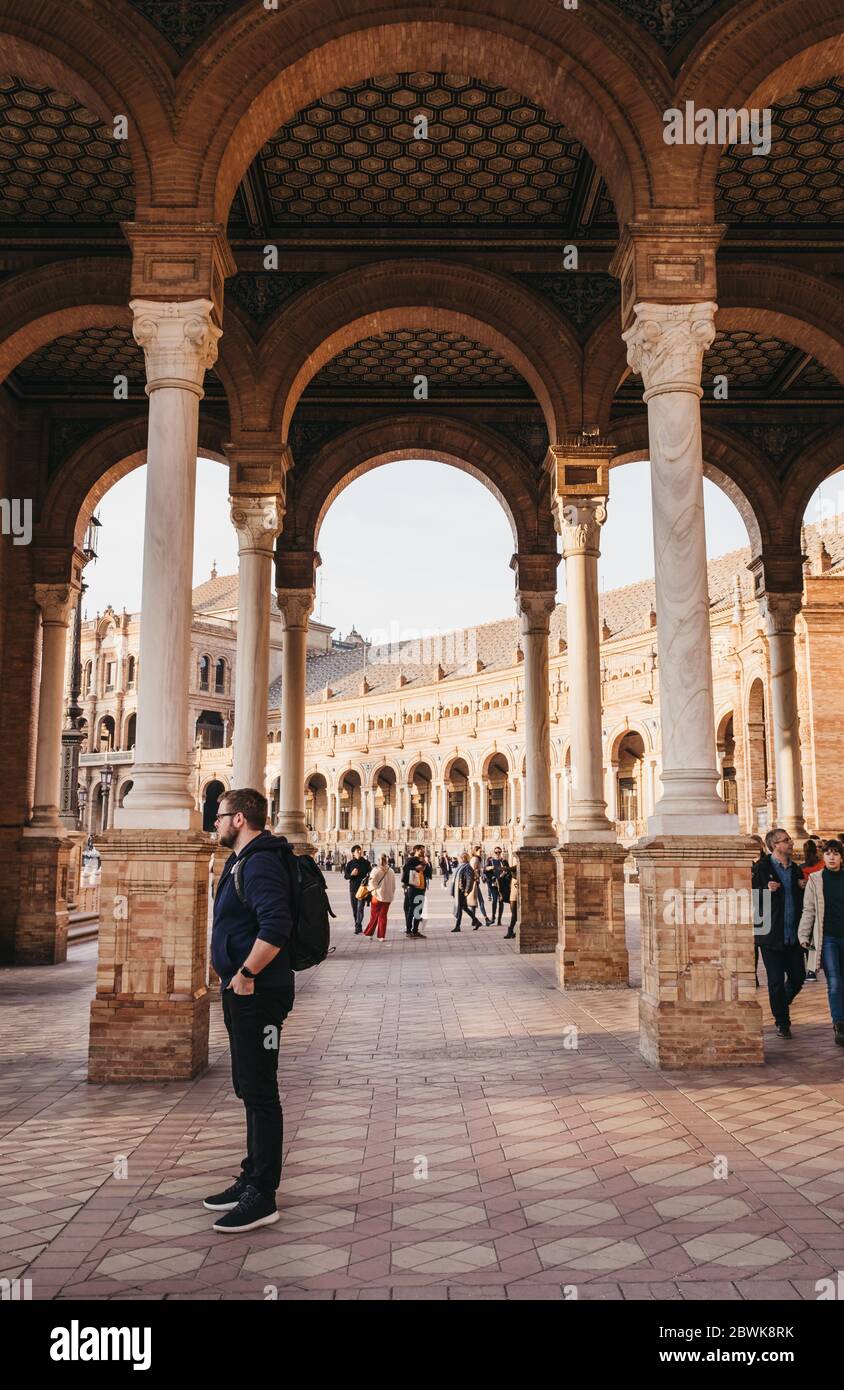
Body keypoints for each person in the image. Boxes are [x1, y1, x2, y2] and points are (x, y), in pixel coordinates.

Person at [205, 787, 295, 1234]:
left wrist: (244, 972)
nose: (214, 823)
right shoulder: (243, 860)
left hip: (256, 994)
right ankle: (251, 1176)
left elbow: (276, 924)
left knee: (260, 1090)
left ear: (240, 819)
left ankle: (263, 1194)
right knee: (247, 1084)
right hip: (244, 992)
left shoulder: (259, 861)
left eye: (219, 816)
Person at [752, 827, 806, 1039]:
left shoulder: (795, 870)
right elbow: (750, 895)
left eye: (790, 839)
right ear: (775, 845)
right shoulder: (762, 868)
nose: (791, 843)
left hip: (793, 935)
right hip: (771, 934)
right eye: (786, 840)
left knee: (798, 977)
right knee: (775, 981)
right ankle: (782, 1022)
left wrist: (802, 886)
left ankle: (781, 1004)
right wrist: (766, 890)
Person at [799, 840, 844, 1045]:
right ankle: (839, 1023)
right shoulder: (816, 880)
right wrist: (804, 935)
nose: (831, 857)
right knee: (834, 981)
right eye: (828, 854)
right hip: (828, 938)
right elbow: (809, 910)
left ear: (841, 857)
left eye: (835, 853)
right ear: (823, 856)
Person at [801, 839, 824, 979]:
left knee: (808, 936)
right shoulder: (822, 866)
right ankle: (812, 967)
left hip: (807, 903)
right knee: (814, 936)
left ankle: (811, 966)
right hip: (818, 904)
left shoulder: (801, 867)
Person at [363, 854, 396, 940]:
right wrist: (391, 893)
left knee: (374, 916)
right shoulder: (391, 871)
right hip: (388, 897)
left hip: (377, 896)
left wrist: (373, 891)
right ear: (387, 860)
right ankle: (381, 936)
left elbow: (371, 883)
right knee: (383, 916)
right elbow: (393, 885)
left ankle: (369, 933)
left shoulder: (375, 870)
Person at [402, 843, 430, 937]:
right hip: (413, 888)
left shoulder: (422, 860)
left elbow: (429, 874)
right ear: (417, 850)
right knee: (411, 909)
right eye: (422, 849)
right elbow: (405, 869)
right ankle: (408, 931)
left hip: (421, 888)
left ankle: (415, 930)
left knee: (418, 910)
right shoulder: (411, 860)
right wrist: (415, 868)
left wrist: (425, 863)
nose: (424, 851)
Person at [343, 843, 372, 933]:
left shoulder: (366, 863)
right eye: (357, 851)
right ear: (353, 853)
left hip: (363, 889)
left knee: (360, 908)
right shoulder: (350, 864)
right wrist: (351, 874)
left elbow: (371, 874)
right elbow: (346, 876)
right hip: (353, 889)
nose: (360, 852)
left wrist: (368, 877)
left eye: (360, 850)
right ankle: (357, 922)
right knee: (355, 908)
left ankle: (358, 925)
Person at [451, 851, 481, 931]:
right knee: (464, 907)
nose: (458, 859)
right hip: (458, 890)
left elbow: (469, 880)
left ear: (463, 858)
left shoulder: (467, 867)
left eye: (460, 857)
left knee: (460, 908)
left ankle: (458, 926)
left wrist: (467, 891)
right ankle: (477, 921)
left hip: (462, 890)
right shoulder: (460, 866)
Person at [470, 844, 492, 925]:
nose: (481, 852)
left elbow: (478, 870)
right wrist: (476, 877)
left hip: (475, 882)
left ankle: (474, 920)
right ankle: (486, 919)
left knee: (474, 902)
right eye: (480, 851)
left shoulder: (476, 859)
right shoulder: (475, 859)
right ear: (475, 851)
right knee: (480, 901)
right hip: (474, 883)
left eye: (482, 851)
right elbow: (472, 870)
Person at [485, 847, 508, 924]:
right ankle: (493, 917)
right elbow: (485, 870)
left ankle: (499, 919)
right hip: (493, 883)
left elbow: (508, 870)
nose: (498, 854)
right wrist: (490, 868)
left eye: (499, 852)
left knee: (501, 901)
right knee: (494, 900)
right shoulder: (490, 860)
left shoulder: (503, 861)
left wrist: (504, 872)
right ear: (494, 853)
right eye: (496, 852)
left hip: (502, 884)